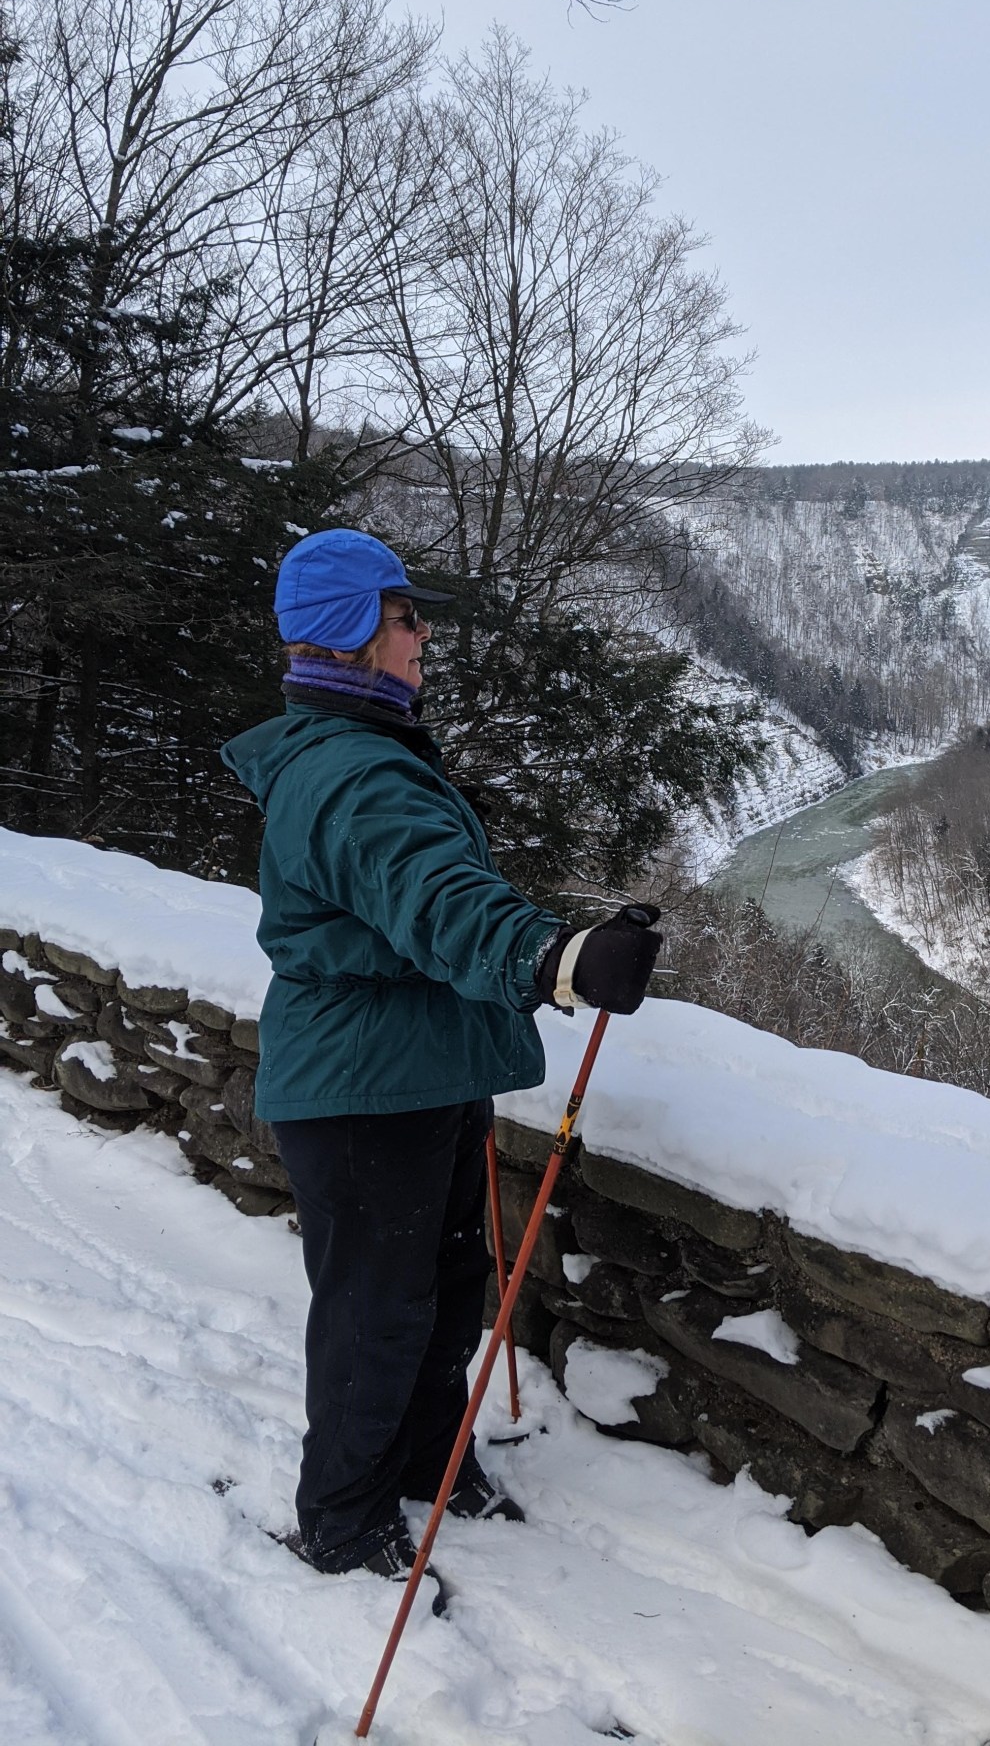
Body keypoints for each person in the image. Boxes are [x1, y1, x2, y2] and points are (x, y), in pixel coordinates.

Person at [222, 527, 661, 1602]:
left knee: (445, 1284)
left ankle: (425, 1457)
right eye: (406, 613)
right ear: (354, 632)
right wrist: (555, 957)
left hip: (410, 1074)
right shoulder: (350, 775)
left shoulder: (360, 750)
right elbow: (434, 896)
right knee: (378, 1310)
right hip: (365, 1090)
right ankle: (340, 1518)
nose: (425, 633)